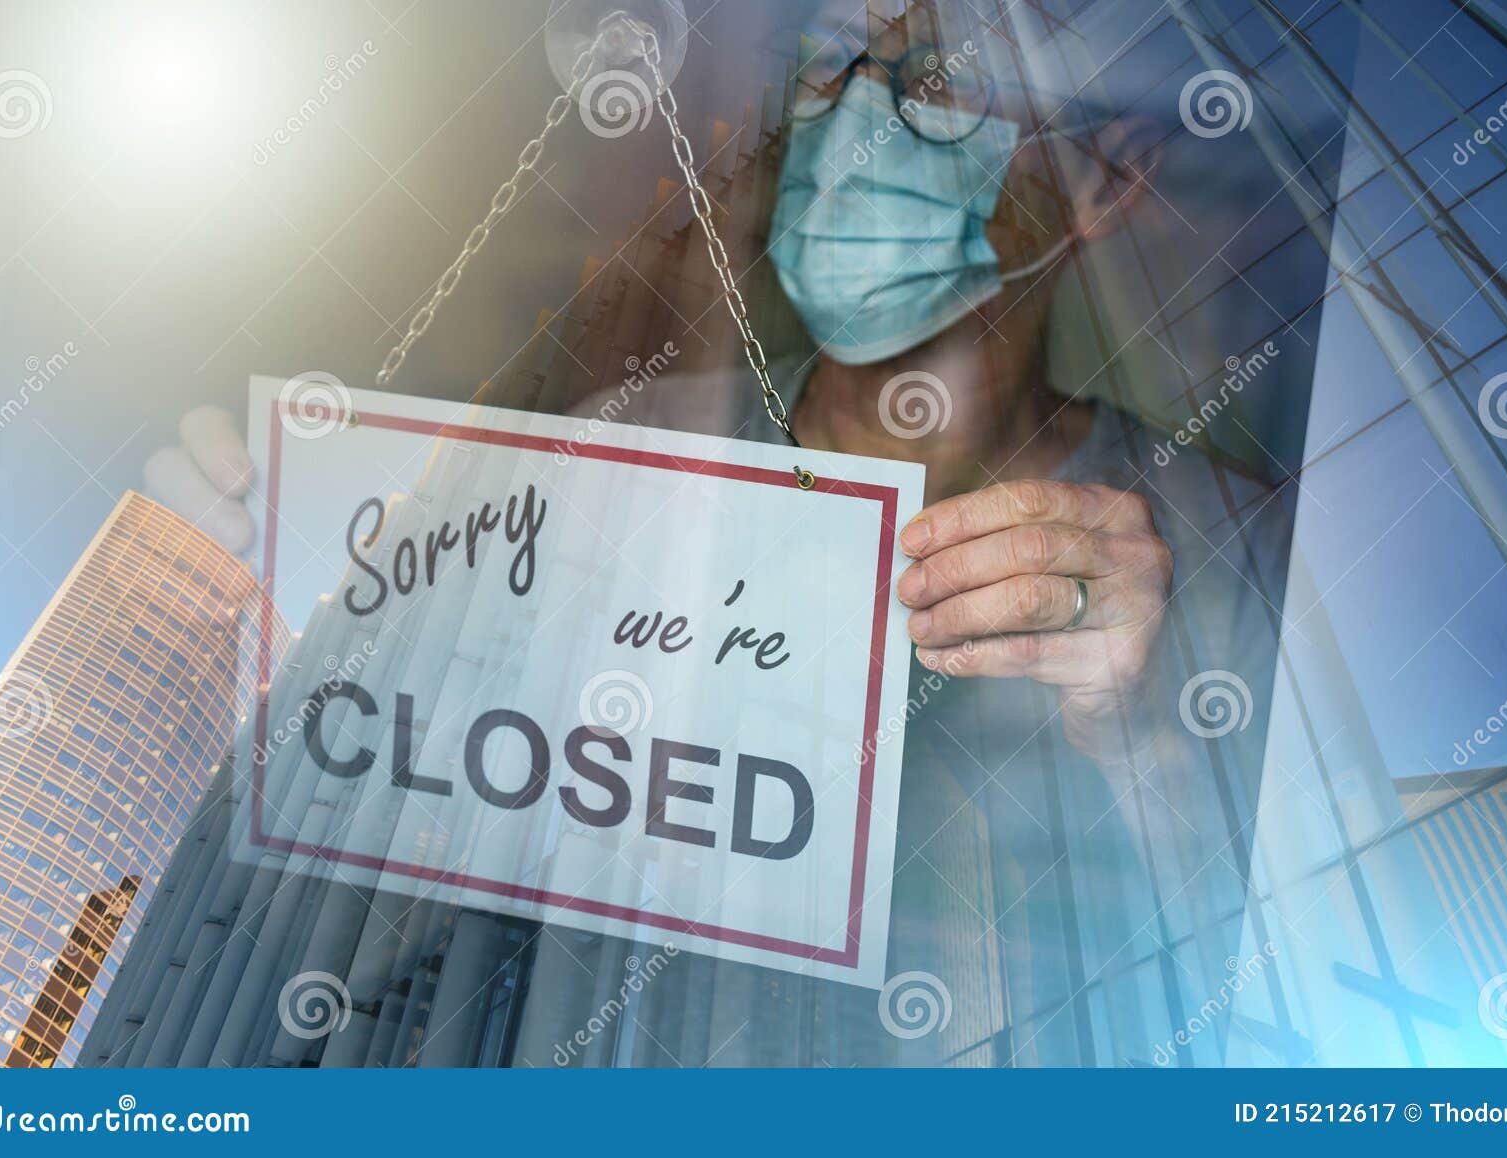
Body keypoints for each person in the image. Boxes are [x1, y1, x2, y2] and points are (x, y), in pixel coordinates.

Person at [141, 5, 1291, 1065]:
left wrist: (1149, 743)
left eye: (943, 77)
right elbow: (395, 905)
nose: (857, 122)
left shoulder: (1228, 537)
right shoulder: (609, 461)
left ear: (1111, 177)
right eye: (834, 59)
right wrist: (265, 607)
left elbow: (1295, 987)